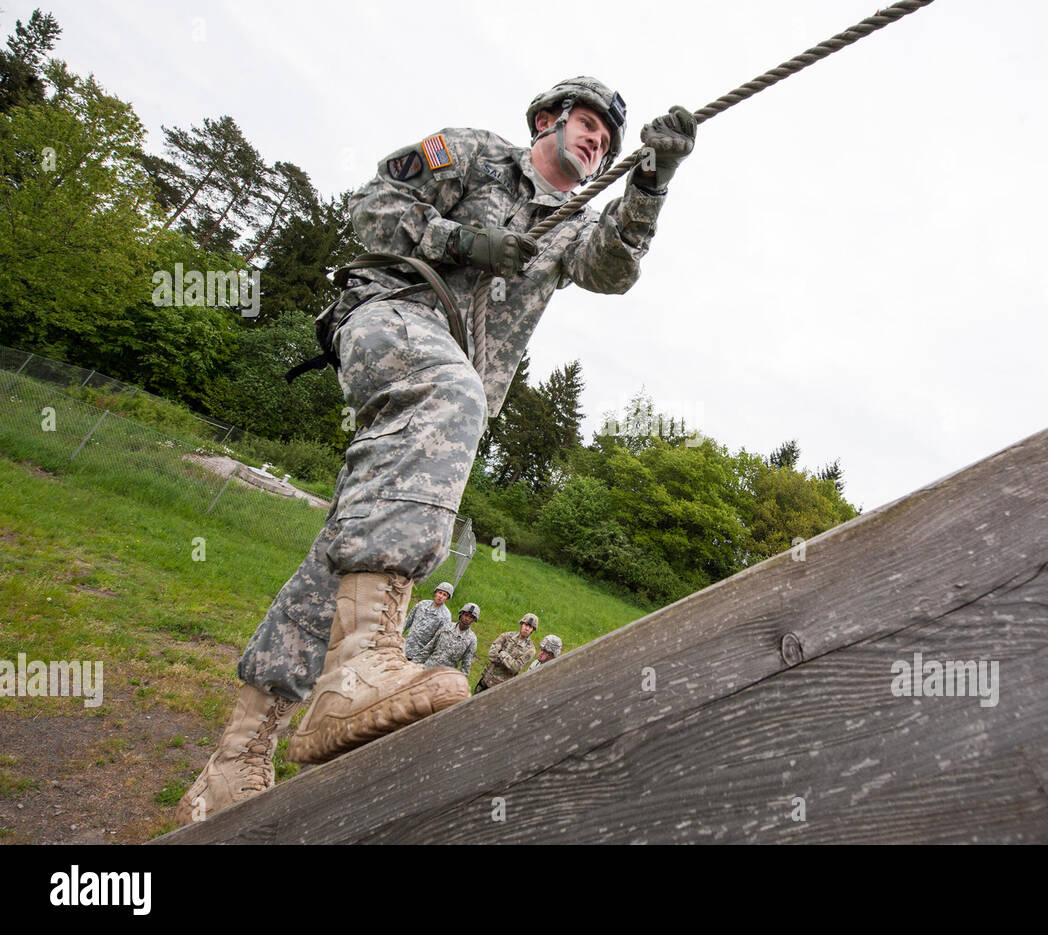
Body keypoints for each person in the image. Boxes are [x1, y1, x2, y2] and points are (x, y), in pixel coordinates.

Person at [174, 76, 696, 826]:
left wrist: (650, 181)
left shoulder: (570, 221)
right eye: (587, 125)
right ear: (547, 121)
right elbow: (374, 208)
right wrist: (462, 241)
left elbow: (610, 267)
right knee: (455, 397)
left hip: (447, 404)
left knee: (345, 554)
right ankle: (359, 666)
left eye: (609, 141)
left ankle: (234, 762)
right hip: (395, 321)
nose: (597, 142)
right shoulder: (477, 157)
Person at [412, 602, 479, 676]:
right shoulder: (446, 627)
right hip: (428, 668)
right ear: (461, 614)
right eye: (466, 615)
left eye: (471, 617)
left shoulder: (471, 640)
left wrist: (460, 681)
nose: (467, 619)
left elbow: (466, 664)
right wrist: (414, 663)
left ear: (473, 620)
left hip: (445, 676)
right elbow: (429, 647)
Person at [476, 614, 538, 693]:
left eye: (530, 627)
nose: (527, 628)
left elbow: (515, 667)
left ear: (532, 630)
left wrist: (501, 653)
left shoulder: (530, 650)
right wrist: (508, 663)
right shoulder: (506, 636)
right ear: (521, 624)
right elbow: (491, 655)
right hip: (486, 679)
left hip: (500, 687)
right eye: (526, 625)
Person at [403, 580, 454, 654]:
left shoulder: (446, 616)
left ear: (447, 598)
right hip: (405, 647)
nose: (440, 596)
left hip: (420, 654)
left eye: (444, 595)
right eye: (440, 593)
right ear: (435, 593)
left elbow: (439, 639)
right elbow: (408, 621)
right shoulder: (422, 604)